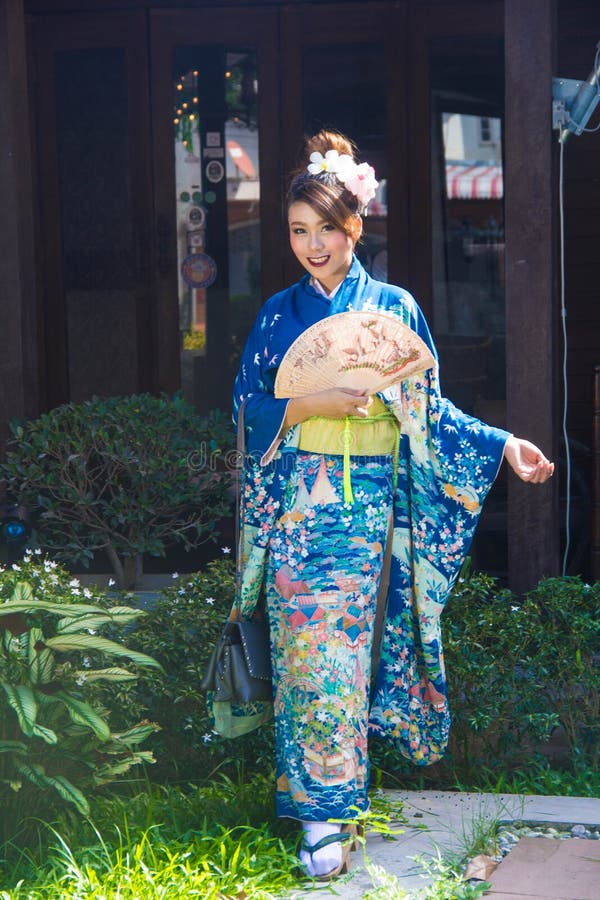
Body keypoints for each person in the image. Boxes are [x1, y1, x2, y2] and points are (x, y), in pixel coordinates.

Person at [227, 130, 554, 880]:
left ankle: (330, 799)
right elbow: (248, 412)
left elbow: (432, 414)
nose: (312, 245)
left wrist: (503, 445)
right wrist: (318, 398)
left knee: (348, 654)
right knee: (313, 655)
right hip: (300, 508)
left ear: (356, 228)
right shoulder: (279, 316)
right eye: (297, 231)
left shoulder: (392, 307)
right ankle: (318, 817)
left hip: (371, 506)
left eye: (326, 230)